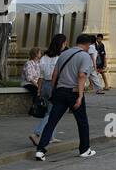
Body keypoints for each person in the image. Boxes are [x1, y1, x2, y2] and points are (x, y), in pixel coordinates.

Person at [34, 33, 98, 161]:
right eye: (89, 46)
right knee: (82, 122)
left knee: (52, 122)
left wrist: (53, 91)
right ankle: (85, 149)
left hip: (60, 91)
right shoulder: (84, 56)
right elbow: (81, 76)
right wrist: (80, 96)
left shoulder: (63, 54)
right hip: (74, 92)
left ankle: (40, 150)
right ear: (86, 45)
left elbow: (54, 75)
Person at [29, 34, 66, 148]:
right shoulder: (60, 57)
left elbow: (40, 75)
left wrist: (39, 91)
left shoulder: (44, 57)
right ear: (61, 44)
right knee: (52, 113)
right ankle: (37, 133)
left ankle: (50, 136)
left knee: (49, 112)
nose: (65, 45)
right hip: (53, 85)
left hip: (44, 84)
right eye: (64, 43)